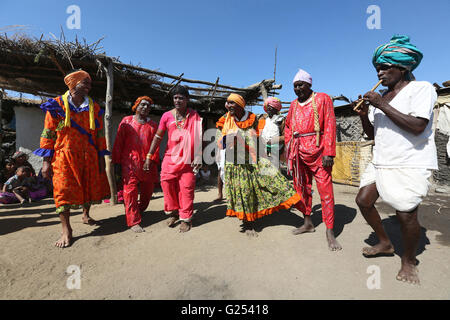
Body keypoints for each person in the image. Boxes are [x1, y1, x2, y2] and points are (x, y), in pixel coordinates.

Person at [354, 35, 437, 285]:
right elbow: (374, 135)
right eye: (377, 67)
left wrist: (380, 103)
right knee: (363, 200)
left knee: (406, 215)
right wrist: (364, 116)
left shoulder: (422, 89)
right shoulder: (384, 97)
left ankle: (409, 261)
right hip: (381, 159)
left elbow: (417, 127)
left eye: (384, 66)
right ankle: (385, 242)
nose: (379, 72)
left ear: (403, 67)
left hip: (409, 162)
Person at [33, 69, 110, 248]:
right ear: (74, 84)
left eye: (90, 84)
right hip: (63, 156)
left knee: (87, 187)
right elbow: (48, 134)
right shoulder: (56, 105)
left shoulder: (94, 107)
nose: (89, 87)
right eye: (86, 83)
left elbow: (99, 134)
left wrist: (100, 156)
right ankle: (66, 229)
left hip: (88, 155)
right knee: (62, 191)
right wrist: (46, 162)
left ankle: (85, 214)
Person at [220, 93, 301, 236]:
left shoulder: (252, 118)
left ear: (239, 105)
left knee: (268, 182)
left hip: (254, 159)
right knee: (242, 191)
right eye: (228, 103)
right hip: (234, 162)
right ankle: (248, 223)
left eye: (232, 103)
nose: (229, 106)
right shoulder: (225, 119)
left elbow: (257, 138)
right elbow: (222, 142)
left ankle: (293, 205)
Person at [285, 69, 341, 251]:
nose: (297, 89)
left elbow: (330, 124)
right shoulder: (293, 105)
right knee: (302, 188)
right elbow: (287, 128)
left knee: (326, 191)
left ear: (309, 85)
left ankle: (330, 231)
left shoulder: (323, 99)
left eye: (300, 85)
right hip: (299, 151)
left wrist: (329, 152)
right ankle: (308, 222)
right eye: (295, 86)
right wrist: (290, 148)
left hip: (319, 151)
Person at [144, 85, 202, 233]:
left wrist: (198, 155)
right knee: (167, 185)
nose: (177, 100)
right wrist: (149, 156)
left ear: (187, 99)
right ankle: (175, 212)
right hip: (171, 158)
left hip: (188, 160)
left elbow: (198, 136)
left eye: (181, 98)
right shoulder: (166, 116)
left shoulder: (194, 115)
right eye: (175, 97)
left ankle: (185, 218)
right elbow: (158, 137)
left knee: (186, 188)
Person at [112, 96, 160, 233]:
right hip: (129, 163)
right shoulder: (126, 121)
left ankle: (137, 210)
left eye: (148, 106)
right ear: (136, 106)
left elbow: (156, 146)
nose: (145, 107)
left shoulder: (153, 125)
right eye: (142, 105)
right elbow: (118, 143)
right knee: (130, 191)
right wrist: (116, 162)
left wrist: (151, 160)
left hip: (148, 163)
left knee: (147, 192)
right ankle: (133, 220)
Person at [257, 97, 286, 161]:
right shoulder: (263, 119)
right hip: (264, 148)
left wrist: (273, 140)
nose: (269, 108)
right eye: (268, 106)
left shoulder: (281, 120)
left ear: (276, 108)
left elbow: (286, 136)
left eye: (271, 106)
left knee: (274, 164)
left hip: (277, 149)